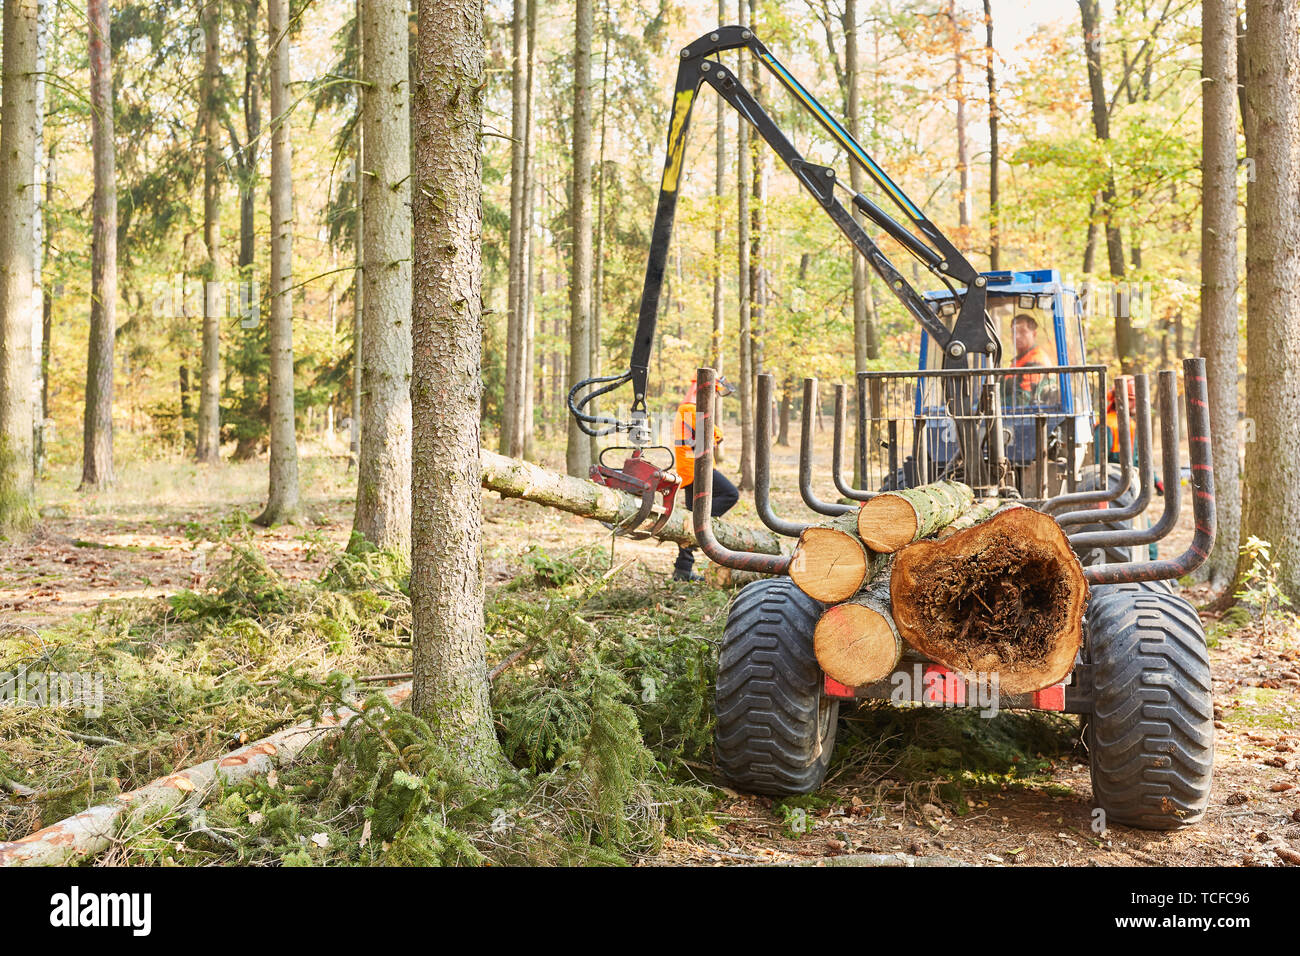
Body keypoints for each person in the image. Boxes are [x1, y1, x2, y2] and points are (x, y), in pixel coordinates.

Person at [671, 374, 739, 582]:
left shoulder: (690, 409)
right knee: (730, 494)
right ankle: (701, 525)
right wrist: (717, 434)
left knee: (694, 511)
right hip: (695, 467)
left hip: (695, 465)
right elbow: (711, 433)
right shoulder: (690, 409)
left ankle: (683, 568)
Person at [1010, 313, 1051, 401]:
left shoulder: (1036, 361)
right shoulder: (1019, 360)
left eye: (1023, 332)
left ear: (1034, 334)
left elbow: (1024, 400)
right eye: (1014, 332)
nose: (1016, 336)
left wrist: (994, 403)